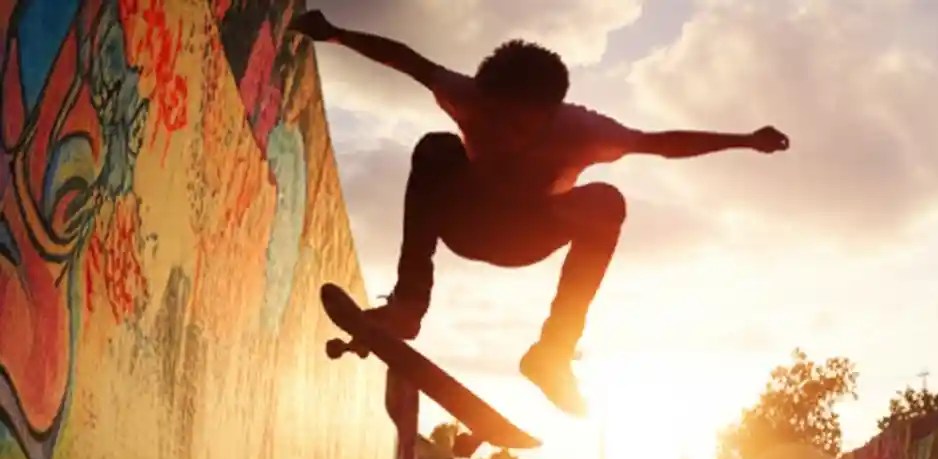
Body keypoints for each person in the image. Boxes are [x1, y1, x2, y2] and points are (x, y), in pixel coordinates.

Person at [289, 10, 790, 416]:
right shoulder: (465, 95)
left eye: (518, 125)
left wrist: (745, 140)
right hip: (467, 223)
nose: (502, 132)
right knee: (437, 148)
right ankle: (408, 304)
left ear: (551, 114)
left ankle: (553, 351)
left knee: (607, 202)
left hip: (526, 237)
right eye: (493, 118)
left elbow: (660, 144)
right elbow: (407, 61)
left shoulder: (584, 130)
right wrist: (335, 35)